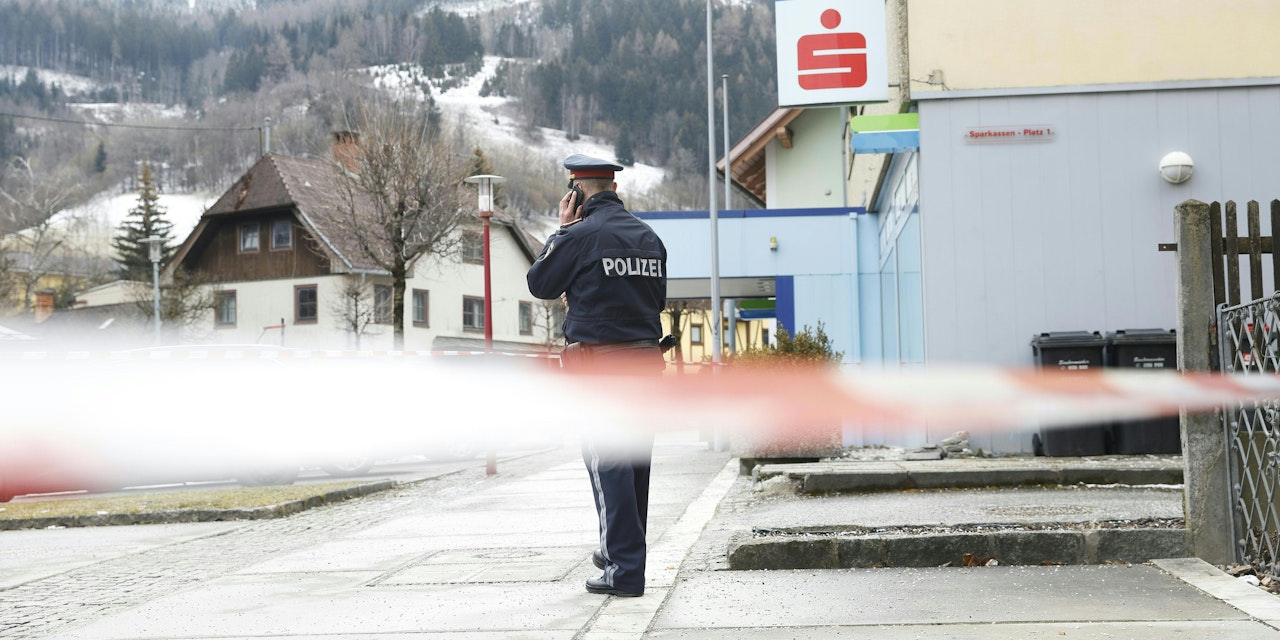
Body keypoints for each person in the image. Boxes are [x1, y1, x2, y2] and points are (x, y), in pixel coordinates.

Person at [527, 153, 668, 597]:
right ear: (613, 188)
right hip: (646, 366)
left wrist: (562, 231)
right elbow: (655, 300)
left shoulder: (581, 235)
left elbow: (540, 283)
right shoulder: (649, 237)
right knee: (633, 464)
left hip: (600, 369)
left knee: (607, 464)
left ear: (577, 191)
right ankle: (618, 552)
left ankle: (624, 570)